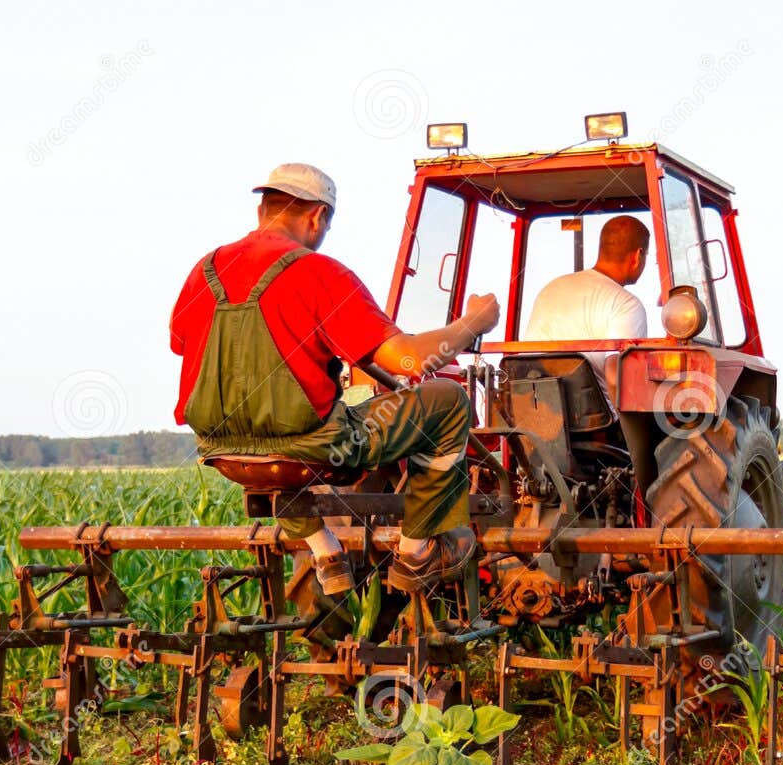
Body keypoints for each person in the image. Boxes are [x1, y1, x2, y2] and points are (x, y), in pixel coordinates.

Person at [170, 163, 499, 596]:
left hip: (223, 453)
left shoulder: (203, 272)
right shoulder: (317, 272)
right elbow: (407, 363)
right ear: (317, 217)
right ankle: (418, 551)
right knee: (448, 400)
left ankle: (325, 552)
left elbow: (182, 343)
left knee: (280, 446)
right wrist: (471, 324)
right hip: (316, 446)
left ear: (262, 211)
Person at [522, 215, 650, 389]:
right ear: (638, 256)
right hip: (597, 415)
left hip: (531, 407)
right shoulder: (627, 305)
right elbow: (618, 380)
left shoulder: (550, 289)